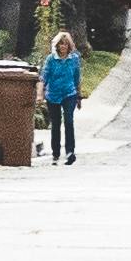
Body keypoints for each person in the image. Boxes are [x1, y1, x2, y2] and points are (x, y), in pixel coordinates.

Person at [41, 31, 82, 166]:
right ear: (57, 46)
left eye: (65, 44)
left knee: (69, 121)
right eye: (60, 44)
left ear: (69, 46)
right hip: (53, 95)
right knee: (56, 124)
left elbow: (77, 78)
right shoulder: (51, 59)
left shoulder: (74, 59)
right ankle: (56, 153)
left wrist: (79, 96)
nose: (63, 47)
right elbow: (44, 76)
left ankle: (70, 152)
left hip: (69, 93)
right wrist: (40, 94)